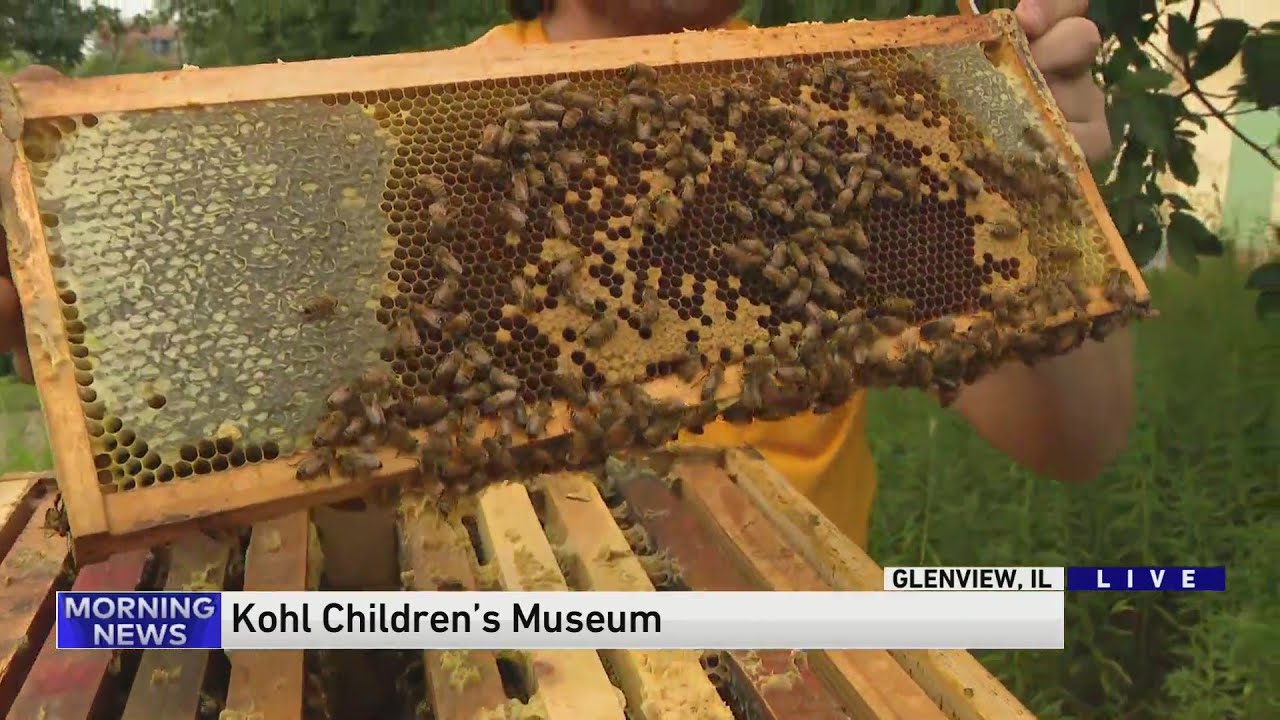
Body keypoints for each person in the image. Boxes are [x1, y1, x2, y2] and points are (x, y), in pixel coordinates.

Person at [0, 0, 1133, 549]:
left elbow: (1072, 442)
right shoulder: (388, 164)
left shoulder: (864, 124)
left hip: (809, 659)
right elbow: (231, 495)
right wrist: (83, 301)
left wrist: (1038, 200)